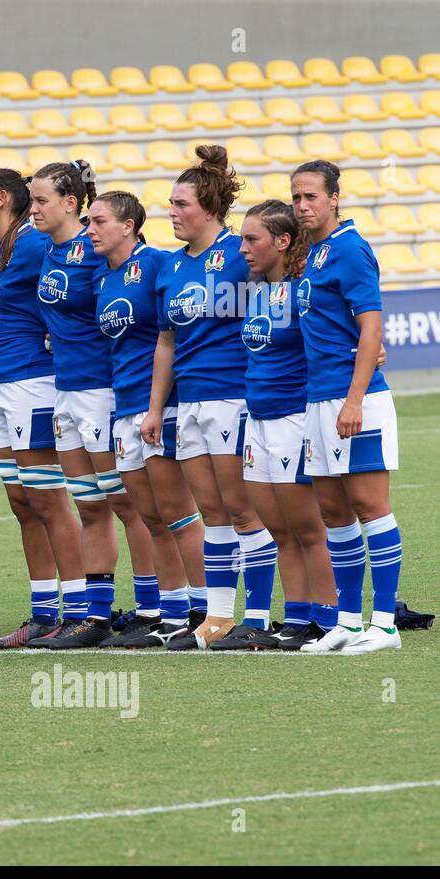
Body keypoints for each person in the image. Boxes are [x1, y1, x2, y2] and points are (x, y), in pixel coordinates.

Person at [143, 145, 273, 649]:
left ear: (209, 208)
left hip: (232, 397)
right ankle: (217, 618)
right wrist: (157, 408)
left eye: (181, 204)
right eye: (171, 204)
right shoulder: (170, 268)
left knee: (243, 511)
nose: (172, 213)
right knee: (213, 514)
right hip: (190, 403)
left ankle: (257, 619)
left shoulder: (240, 255)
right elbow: (166, 341)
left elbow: (284, 301)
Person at [28, 161, 156, 649]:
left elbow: (139, 290)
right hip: (67, 393)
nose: (33, 209)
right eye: (32, 200)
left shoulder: (96, 249)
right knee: (90, 507)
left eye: (41, 201)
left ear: (70, 203)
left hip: (104, 392)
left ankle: (151, 609)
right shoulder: (48, 250)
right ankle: (94, 616)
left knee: (127, 506)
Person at [212, 199, 339, 651]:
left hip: (293, 418)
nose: (242, 249)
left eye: (252, 239)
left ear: (282, 242)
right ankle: (297, 617)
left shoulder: (305, 290)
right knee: (279, 529)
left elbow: (335, 342)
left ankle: (327, 620)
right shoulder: (254, 290)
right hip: (258, 421)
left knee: (307, 528)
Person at [290, 161, 403, 654]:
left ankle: (385, 624)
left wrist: (354, 398)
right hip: (319, 400)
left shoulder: (352, 250)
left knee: (370, 507)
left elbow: (371, 329)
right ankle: (348, 621)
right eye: (296, 197)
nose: (302, 206)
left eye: (311, 196)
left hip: (355, 399)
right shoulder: (313, 254)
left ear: (335, 197)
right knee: (334, 511)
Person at [88, 191, 206, 648]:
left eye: (99, 221)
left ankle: (202, 611)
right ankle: (170, 613)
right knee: (150, 516)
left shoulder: (159, 263)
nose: (91, 230)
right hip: (124, 407)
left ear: (129, 225)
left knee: (178, 514)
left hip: (163, 407)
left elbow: (174, 331)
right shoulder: (103, 277)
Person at [0, 169, 77, 649]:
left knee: (49, 500)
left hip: (34, 381)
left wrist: (63, 334)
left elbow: (79, 276)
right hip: (1, 387)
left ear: (2, 199)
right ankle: (43, 612)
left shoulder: (33, 242)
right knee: (22, 504)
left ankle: (76, 610)